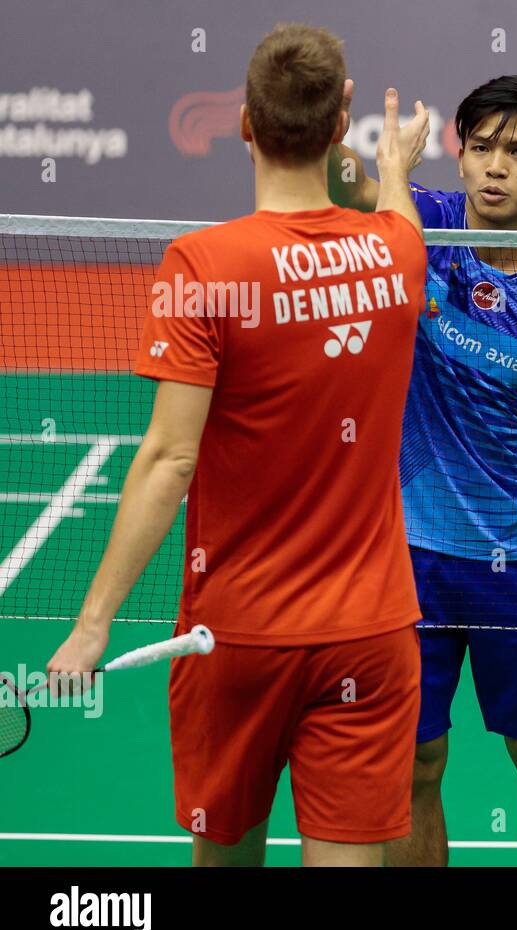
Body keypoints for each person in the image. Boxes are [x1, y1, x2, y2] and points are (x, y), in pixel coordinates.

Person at [46, 23, 430, 867]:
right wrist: (394, 167)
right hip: (372, 631)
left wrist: (92, 623)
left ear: (246, 126)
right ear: (340, 128)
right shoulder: (398, 255)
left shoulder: (202, 263)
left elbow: (169, 460)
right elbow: (398, 213)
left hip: (236, 637)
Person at [330, 74, 517, 867]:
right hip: (407, 558)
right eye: (482, 147)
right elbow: (343, 187)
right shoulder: (419, 225)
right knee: (414, 766)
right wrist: (349, 137)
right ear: (459, 158)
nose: (496, 167)